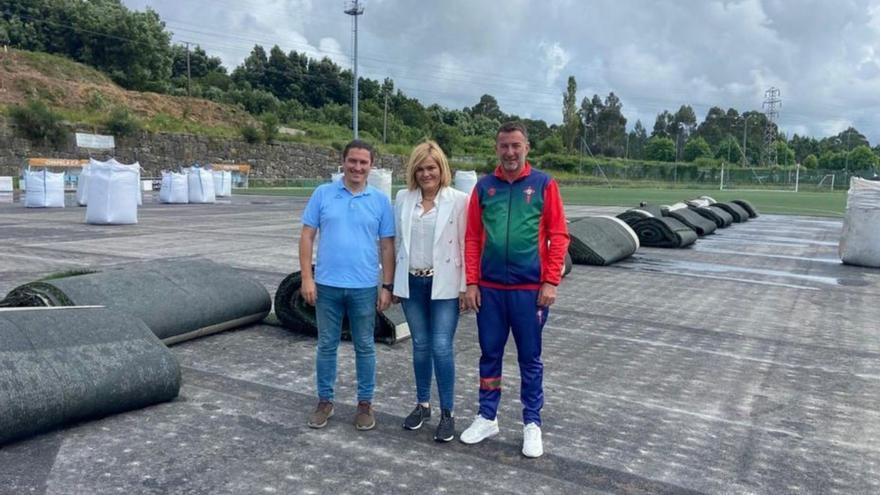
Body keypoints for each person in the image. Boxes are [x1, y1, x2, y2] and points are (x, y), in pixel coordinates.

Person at [460, 121, 570, 458]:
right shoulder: (484, 188)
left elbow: (559, 235)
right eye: (504, 146)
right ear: (497, 148)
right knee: (489, 355)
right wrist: (472, 282)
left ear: (527, 148)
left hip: (529, 291)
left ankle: (532, 423)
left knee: (529, 359)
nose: (510, 152)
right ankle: (487, 416)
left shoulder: (543, 184)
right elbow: (473, 238)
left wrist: (551, 280)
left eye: (516, 146)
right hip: (490, 290)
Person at [299, 139, 395, 431]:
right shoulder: (323, 194)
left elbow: (387, 247)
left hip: (364, 287)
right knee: (326, 345)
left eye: (363, 162)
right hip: (327, 285)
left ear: (371, 166)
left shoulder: (380, 201)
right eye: (352, 161)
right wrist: (306, 277)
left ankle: (365, 404)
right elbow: (306, 236)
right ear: (343, 162)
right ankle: (325, 401)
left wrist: (386, 286)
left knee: (364, 346)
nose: (357, 167)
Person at [392, 141, 469, 442]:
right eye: (421, 168)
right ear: (414, 171)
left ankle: (447, 412)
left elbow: (465, 244)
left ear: (442, 169)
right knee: (420, 345)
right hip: (412, 283)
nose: (426, 174)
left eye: (432, 168)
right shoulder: (403, 198)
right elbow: (396, 242)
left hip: (445, 285)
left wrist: (465, 287)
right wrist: (391, 282)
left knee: (441, 346)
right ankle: (423, 405)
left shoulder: (459, 200)